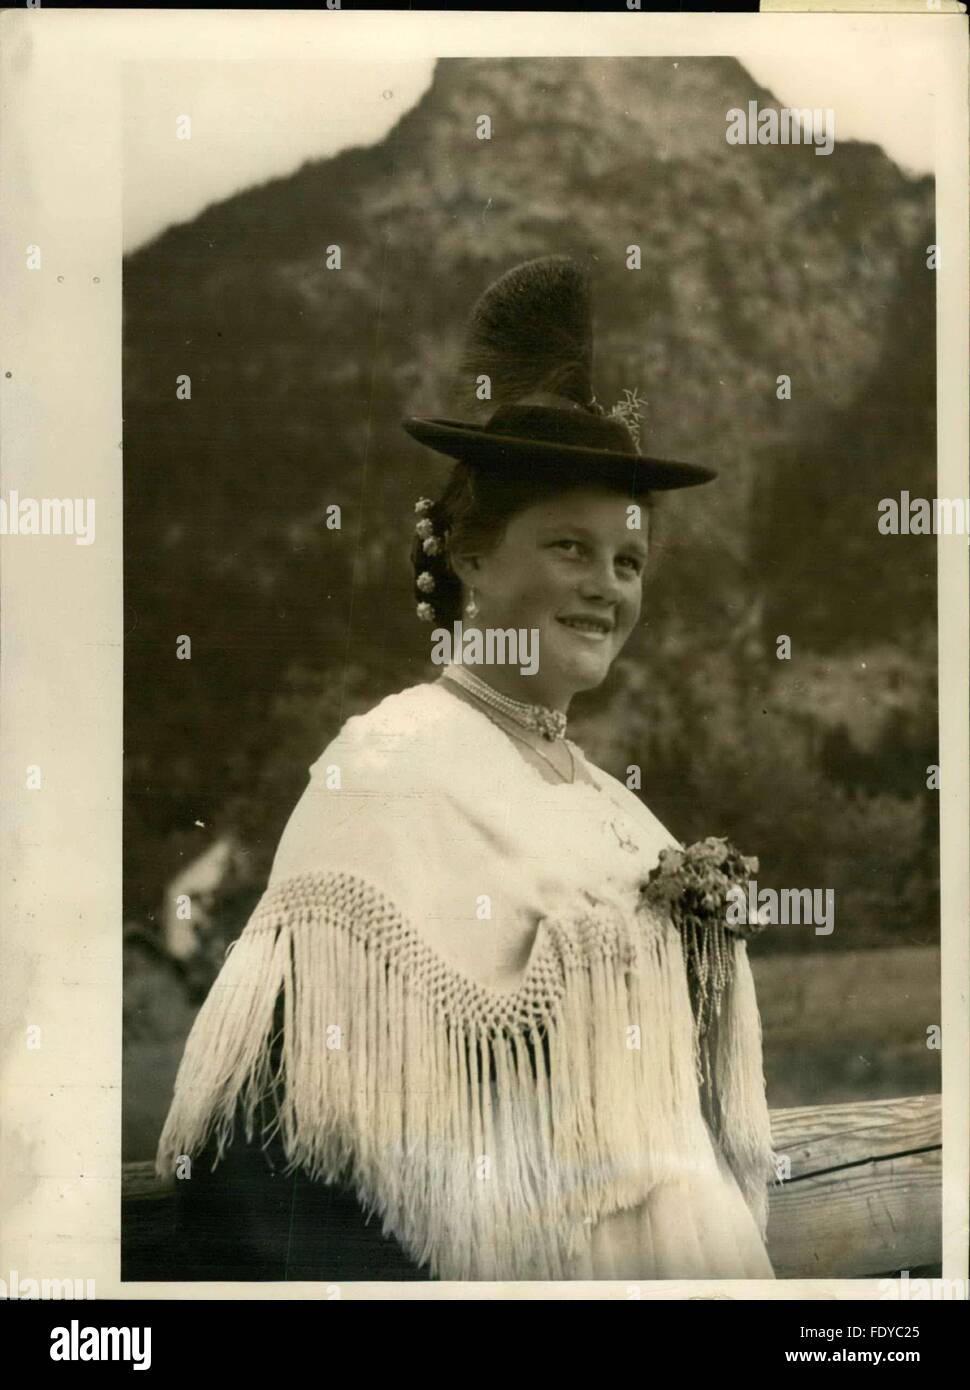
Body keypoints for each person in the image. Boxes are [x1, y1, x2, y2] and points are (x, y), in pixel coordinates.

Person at [155, 256, 776, 1281]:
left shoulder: (629, 821)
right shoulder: (390, 765)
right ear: (472, 558)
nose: (604, 589)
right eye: (568, 547)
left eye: (627, 562)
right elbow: (252, 1151)